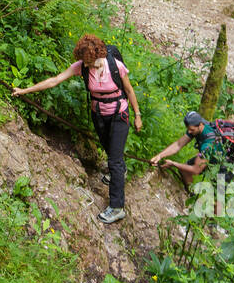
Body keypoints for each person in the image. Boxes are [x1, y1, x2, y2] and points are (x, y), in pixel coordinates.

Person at [11, 34, 142, 224]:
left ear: (98, 55)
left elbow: (129, 90)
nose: (86, 65)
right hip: (99, 116)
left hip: (119, 114)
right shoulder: (81, 66)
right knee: (110, 151)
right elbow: (54, 80)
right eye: (84, 61)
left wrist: (137, 115)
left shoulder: (115, 66)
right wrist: (24, 90)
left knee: (114, 161)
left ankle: (117, 207)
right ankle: (119, 170)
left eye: (89, 61)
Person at [150, 111, 230, 191]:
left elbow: (196, 170)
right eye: (188, 129)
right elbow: (178, 144)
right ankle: (191, 194)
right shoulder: (196, 127)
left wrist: (174, 164)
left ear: (200, 125)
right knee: (184, 170)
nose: (189, 132)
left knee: (218, 200)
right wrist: (160, 155)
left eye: (191, 130)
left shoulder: (208, 144)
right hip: (208, 157)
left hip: (221, 165)